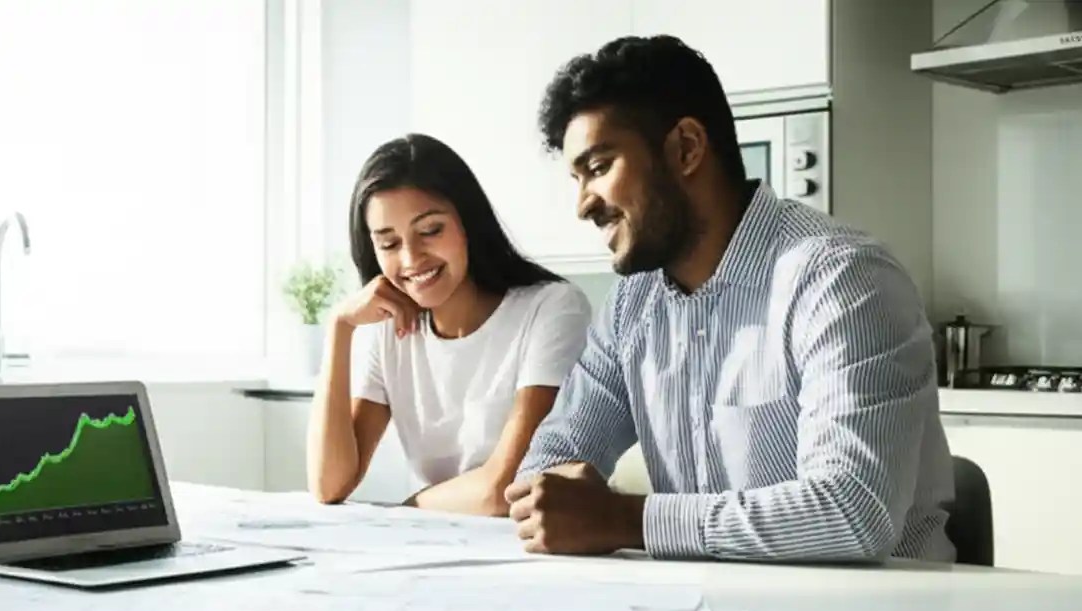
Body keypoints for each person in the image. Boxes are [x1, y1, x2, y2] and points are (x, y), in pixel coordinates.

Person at [507, 36, 955, 561]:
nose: (583, 204)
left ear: (687, 148)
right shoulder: (633, 304)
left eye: (600, 167)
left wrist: (623, 519)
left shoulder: (841, 279)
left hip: (885, 609)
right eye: (577, 178)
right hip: (706, 606)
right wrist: (557, 501)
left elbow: (853, 512)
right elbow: (548, 467)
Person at [308, 133, 592, 516]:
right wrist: (339, 328)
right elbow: (329, 484)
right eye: (389, 244)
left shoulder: (551, 308)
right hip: (441, 537)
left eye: (430, 231)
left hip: (531, 538)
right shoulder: (391, 330)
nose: (411, 259)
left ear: (467, 223)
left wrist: (410, 507)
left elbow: (503, 488)